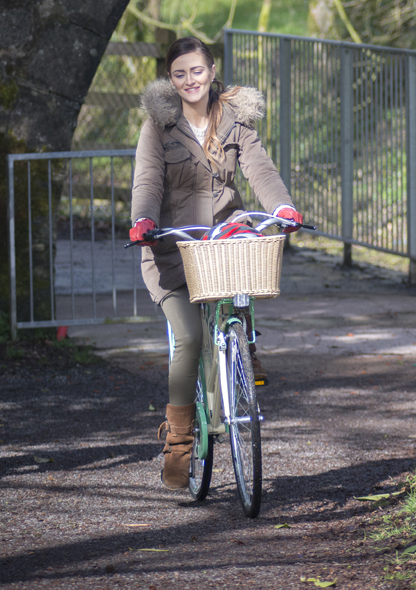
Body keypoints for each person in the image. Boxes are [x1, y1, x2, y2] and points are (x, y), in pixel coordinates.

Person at [128, 35, 299, 490]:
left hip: (221, 245)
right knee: (188, 338)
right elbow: (147, 180)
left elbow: (260, 170)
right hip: (172, 249)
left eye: (197, 71)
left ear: (211, 71)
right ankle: (180, 439)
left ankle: (244, 347)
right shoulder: (157, 127)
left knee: (240, 282)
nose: (190, 81)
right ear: (171, 78)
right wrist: (143, 219)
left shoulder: (235, 120)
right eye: (180, 73)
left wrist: (282, 208)